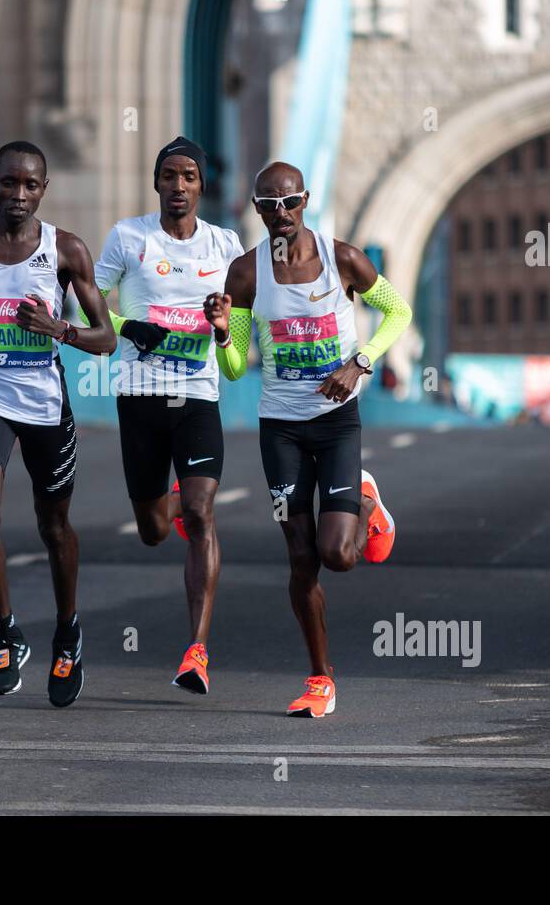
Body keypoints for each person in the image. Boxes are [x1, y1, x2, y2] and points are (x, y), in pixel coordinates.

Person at [204, 161, 411, 718]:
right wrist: (224, 332)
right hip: (281, 429)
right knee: (301, 559)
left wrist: (360, 362)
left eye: (289, 202)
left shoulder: (342, 258)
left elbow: (397, 311)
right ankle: (320, 679)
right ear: (256, 209)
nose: (280, 214)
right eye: (268, 205)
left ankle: (367, 501)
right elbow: (231, 367)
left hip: (337, 421)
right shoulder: (245, 275)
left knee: (337, 555)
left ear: (305, 201)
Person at [0, 140, 115, 707]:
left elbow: (105, 338)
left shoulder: (67, 251)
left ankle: (67, 632)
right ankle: (8, 633)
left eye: (30, 185)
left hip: (45, 402)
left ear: (44, 190)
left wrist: (57, 329)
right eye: (9, 183)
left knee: (54, 527)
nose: (18, 195)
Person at [87, 135, 244, 694]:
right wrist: (130, 326)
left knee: (202, 513)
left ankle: (196, 651)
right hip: (140, 396)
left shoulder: (225, 246)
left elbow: (235, 359)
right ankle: (168, 508)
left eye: (189, 177)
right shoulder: (128, 237)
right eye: (169, 176)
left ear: (202, 186)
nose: (178, 186)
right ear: (156, 183)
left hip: (197, 396)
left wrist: (225, 328)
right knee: (155, 529)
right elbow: (87, 299)